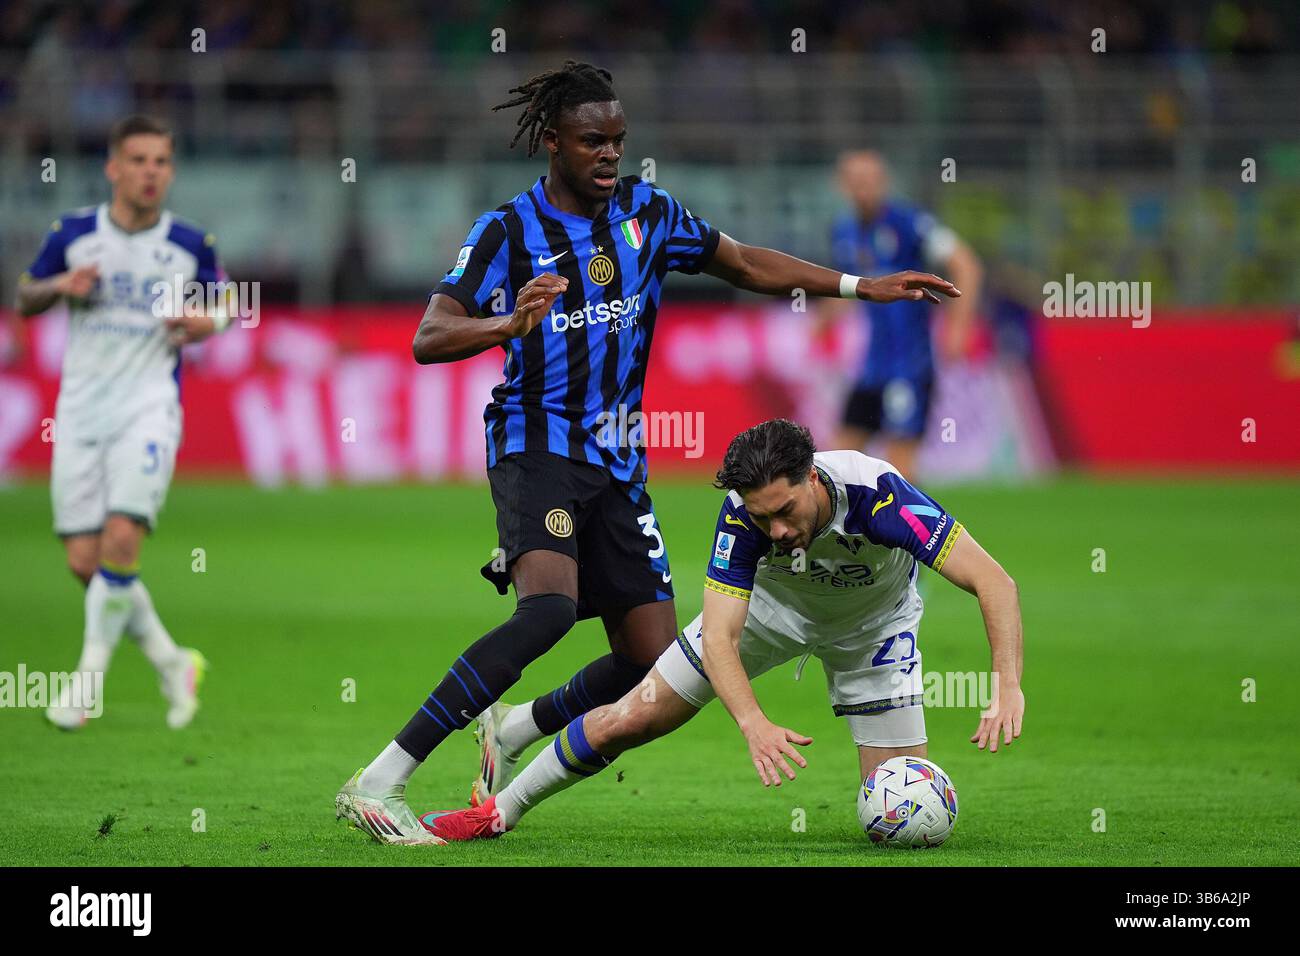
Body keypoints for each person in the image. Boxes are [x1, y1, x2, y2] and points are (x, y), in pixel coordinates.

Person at [335, 62, 960, 846]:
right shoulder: (507, 232)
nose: (610, 154)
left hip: (620, 463)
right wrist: (505, 326)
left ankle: (513, 725)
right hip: (538, 446)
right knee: (550, 610)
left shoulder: (648, 214)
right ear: (553, 143)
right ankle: (381, 779)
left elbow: (744, 263)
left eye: (619, 140)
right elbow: (430, 335)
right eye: (593, 141)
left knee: (650, 655)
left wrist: (857, 286)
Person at [417, 419, 1024, 843]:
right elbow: (720, 636)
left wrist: (1007, 685)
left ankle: (514, 727)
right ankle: (500, 811)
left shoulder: (880, 494)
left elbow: (995, 582)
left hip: (874, 629)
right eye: (764, 517)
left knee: (899, 805)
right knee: (632, 716)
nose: (777, 529)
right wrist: (753, 722)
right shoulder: (742, 515)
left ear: (813, 477)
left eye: (785, 512)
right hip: (769, 612)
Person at [16, 115, 231, 729]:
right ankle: (172, 662)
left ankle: (84, 685)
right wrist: (61, 284)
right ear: (114, 167)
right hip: (81, 411)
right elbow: (25, 295)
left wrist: (205, 323)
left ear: (170, 170)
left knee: (120, 541)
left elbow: (227, 302)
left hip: (149, 408)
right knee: (86, 562)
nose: (149, 173)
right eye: (138, 160)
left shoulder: (190, 244)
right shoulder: (74, 234)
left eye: (160, 162)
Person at [822, 150, 983, 479]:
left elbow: (966, 265)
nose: (862, 189)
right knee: (836, 459)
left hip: (909, 366)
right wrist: (822, 321)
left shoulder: (911, 224)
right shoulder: (844, 232)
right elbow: (851, 286)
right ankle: (856, 530)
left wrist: (958, 327)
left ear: (884, 182)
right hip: (871, 368)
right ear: (841, 186)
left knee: (899, 468)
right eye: (855, 182)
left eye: (869, 181)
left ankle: (911, 529)